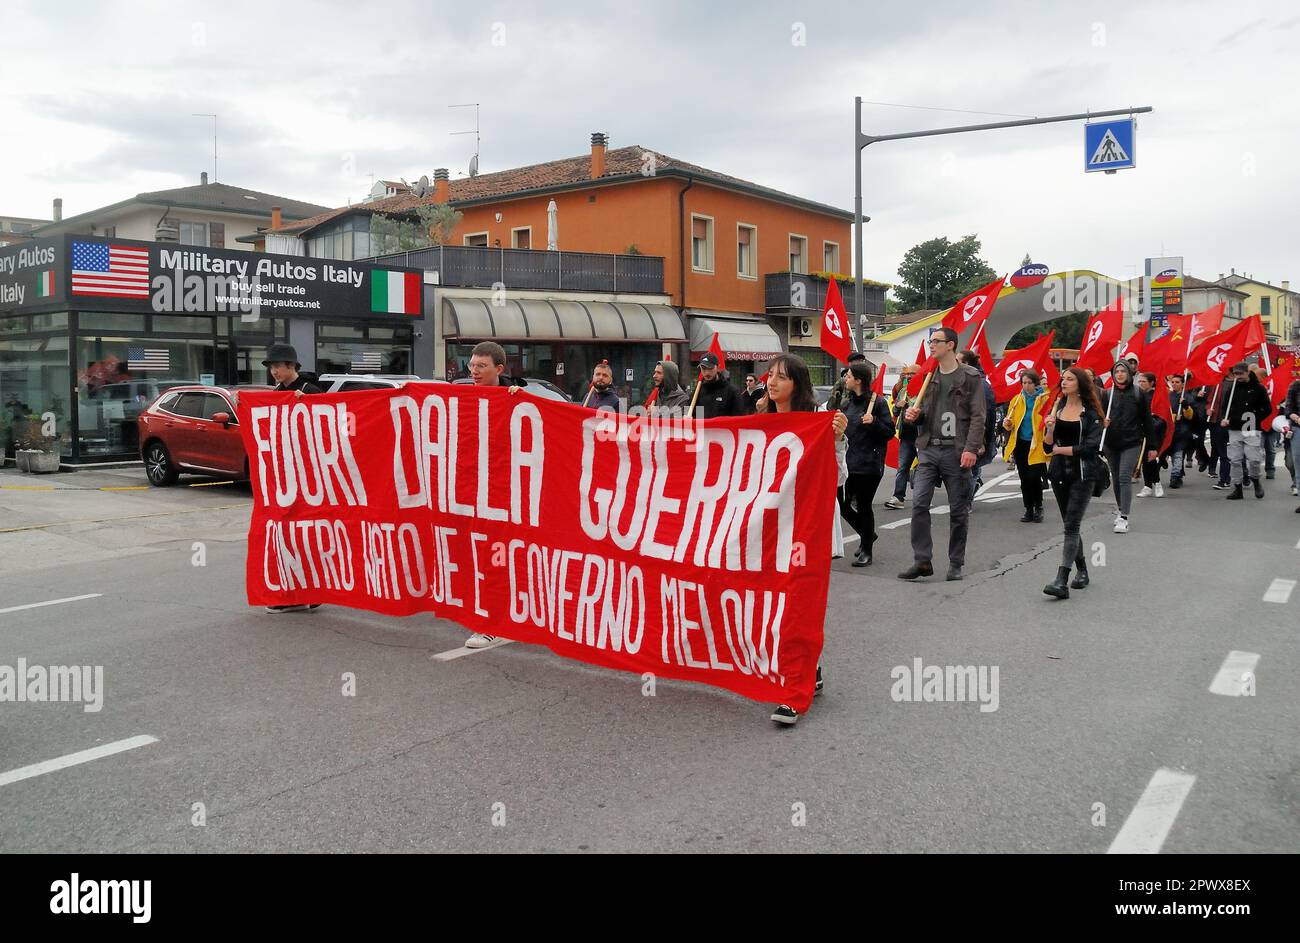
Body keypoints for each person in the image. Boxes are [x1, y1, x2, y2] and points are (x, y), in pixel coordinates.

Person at [761, 353, 848, 726]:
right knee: (771, 604)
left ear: (797, 383)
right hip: (769, 531)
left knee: (799, 605)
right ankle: (806, 669)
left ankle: (796, 685)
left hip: (807, 531)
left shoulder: (817, 424)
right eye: (771, 376)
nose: (773, 382)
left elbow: (838, 478)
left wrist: (838, 441)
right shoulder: (757, 424)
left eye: (782, 377)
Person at [897, 327, 987, 583]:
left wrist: (971, 448)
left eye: (935, 342)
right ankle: (922, 560)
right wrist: (915, 416)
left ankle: (956, 562)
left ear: (950, 345)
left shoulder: (969, 376)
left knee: (958, 510)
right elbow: (924, 411)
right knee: (919, 504)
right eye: (929, 342)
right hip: (929, 449)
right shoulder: (929, 376)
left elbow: (979, 415)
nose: (931, 346)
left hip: (956, 451)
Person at [463, 342, 525, 648]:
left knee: (498, 557)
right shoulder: (458, 396)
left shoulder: (516, 398)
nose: (473, 371)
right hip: (468, 491)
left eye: (481, 366)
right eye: (471, 365)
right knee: (475, 555)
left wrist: (520, 402)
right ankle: (486, 618)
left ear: (499, 369)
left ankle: (491, 622)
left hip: (505, 494)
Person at [263, 344, 324, 614]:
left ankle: (308, 591)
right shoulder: (278, 394)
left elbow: (328, 423)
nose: (274, 371)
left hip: (309, 479)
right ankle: (300, 592)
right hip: (285, 478)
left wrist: (309, 404)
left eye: (278, 366)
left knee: (305, 536)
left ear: (291, 366)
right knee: (287, 536)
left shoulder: (309, 391)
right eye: (271, 367)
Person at [1041, 367, 1106, 599]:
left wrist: (1060, 449)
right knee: (1070, 525)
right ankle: (1083, 571)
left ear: (1080, 383)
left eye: (1069, 378)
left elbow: (1090, 448)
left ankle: (1061, 579)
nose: (1064, 381)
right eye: (1063, 378)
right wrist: (1049, 430)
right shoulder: (1057, 407)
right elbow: (1047, 447)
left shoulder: (1090, 413)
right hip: (1059, 474)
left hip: (1083, 475)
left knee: (1070, 525)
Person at [837, 361, 896, 567]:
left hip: (869, 464)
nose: (846, 379)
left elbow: (889, 432)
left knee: (863, 506)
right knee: (842, 505)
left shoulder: (877, 403)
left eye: (849, 376)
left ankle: (867, 551)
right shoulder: (847, 403)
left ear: (859, 380)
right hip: (849, 463)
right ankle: (867, 534)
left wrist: (875, 423)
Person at [1101, 359, 1155, 534]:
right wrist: (1103, 423)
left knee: (1124, 476)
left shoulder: (1139, 394)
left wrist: (1152, 446)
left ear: (1130, 374)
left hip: (1132, 442)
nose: (1120, 374)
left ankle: (1124, 517)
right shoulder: (1107, 395)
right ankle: (1120, 509)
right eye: (1116, 372)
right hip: (1111, 443)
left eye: (1123, 371)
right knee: (1116, 478)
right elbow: (1098, 419)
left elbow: (1148, 422)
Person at [1211, 361, 1272, 500]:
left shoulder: (1258, 388)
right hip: (1234, 427)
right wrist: (1224, 418)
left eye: (1240, 373)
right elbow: (1225, 407)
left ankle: (1256, 480)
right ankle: (1237, 488)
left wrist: (1256, 418)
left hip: (1250, 427)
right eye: (1236, 373)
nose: (1238, 376)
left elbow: (1267, 408)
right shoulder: (1232, 389)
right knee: (1235, 459)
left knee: (1254, 459)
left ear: (1247, 372)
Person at [1001, 368, 1047, 522]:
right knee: (1024, 478)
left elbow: (1048, 419)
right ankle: (1028, 508)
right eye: (1024, 383)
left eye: (1029, 383)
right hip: (1020, 444)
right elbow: (1011, 422)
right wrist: (1007, 423)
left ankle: (1038, 506)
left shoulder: (1044, 399)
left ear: (1036, 383)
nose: (1026, 386)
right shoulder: (1016, 400)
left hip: (1037, 444)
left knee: (1034, 477)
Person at [883, 364, 921, 510]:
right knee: (903, 466)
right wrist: (898, 406)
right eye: (907, 373)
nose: (909, 376)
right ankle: (898, 497)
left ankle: (921, 497)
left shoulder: (926, 390)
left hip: (922, 435)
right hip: (906, 435)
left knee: (923, 467)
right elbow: (895, 411)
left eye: (912, 373)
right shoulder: (903, 390)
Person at [959, 350, 997, 494]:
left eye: (958, 361)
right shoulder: (960, 380)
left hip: (973, 435)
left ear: (966, 364)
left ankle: (967, 500)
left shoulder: (980, 384)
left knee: (970, 469)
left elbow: (984, 415)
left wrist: (981, 440)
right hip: (960, 434)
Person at [1166, 374, 1201, 489]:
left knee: (1178, 454)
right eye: (1173, 382)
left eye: (1177, 382)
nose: (1174, 384)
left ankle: (1175, 476)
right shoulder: (1168, 396)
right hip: (1169, 430)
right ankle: (1177, 473)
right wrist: (1173, 416)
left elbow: (1192, 416)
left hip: (1182, 431)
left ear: (1182, 384)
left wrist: (1186, 407)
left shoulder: (1187, 397)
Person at [1135, 372, 1166, 498]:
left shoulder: (1157, 397)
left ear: (1151, 383)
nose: (1141, 384)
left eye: (1144, 381)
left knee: (1150, 458)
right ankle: (1147, 486)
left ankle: (1157, 483)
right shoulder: (1138, 395)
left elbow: (1162, 416)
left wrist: (1152, 423)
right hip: (1140, 431)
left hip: (1154, 432)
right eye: (1140, 381)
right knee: (1143, 460)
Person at [690, 352, 746, 418]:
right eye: (703, 368)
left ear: (718, 368)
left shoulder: (732, 391)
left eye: (710, 368)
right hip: (702, 428)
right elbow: (695, 415)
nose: (707, 372)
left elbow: (739, 419)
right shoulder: (697, 391)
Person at [1285, 375, 1300, 503]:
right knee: (1295, 463)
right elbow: (1289, 408)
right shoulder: (1295, 386)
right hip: (1297, 428)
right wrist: (1294, 416)